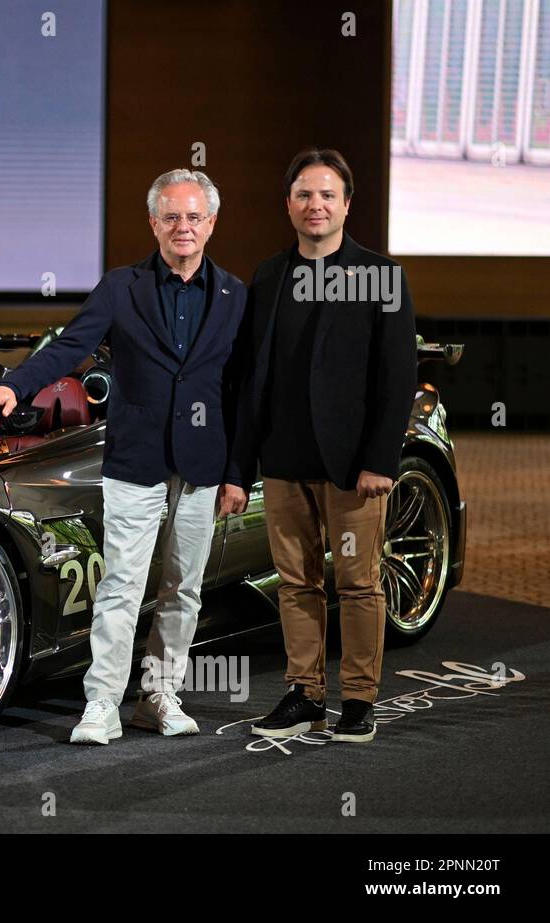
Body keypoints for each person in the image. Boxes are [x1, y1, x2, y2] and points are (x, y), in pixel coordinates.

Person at [0, 169, 249, 744]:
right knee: (122, 585)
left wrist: (238, 474)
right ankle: (102, 704)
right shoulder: (122, 287)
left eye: (194, 216)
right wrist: (13, 387)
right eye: (171, 216)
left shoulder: (235, 296)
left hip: (201, 468)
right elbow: (69, 347)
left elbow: (241, 391)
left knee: (184, 589)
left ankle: (160, 697)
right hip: (135, 463)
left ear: (212, 223)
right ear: (153, 222)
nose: (183, 227)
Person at [223, 149, 417, 744]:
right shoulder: (269, 275)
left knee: (358, 584)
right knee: (296, 584)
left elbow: (397, 376)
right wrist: (238, 468)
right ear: (289, 204)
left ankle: (359, 701)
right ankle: (305, 694)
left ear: (346, 205)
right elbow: (252, 377)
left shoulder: (379, 275)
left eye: (328, 195)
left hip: (352, 469)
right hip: (284, 462)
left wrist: (380, 460)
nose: (316, 205)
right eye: (305, 195)